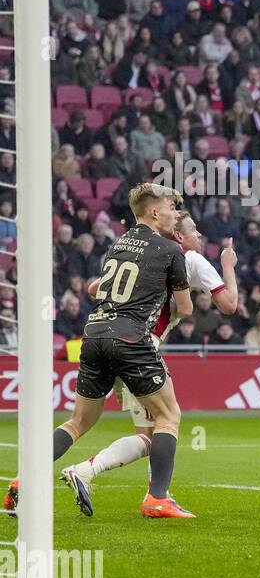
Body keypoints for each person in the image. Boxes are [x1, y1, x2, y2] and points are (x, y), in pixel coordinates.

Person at [58, 209, 239, 508]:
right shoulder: (189, 258)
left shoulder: (142, 253)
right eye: (194, 231)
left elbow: (93, 289)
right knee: (164, 423)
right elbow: (229, 305)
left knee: (138, 433)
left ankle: (51, 475)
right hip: (139, 348)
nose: (199, 236)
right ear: (179, 235)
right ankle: (128, 487)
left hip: (103, 339)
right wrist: (227, 265)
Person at [37, 185, 192, 519]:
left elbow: (97, 289)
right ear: (154, 212)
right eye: (169, 208)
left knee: (78, 422)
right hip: (131, 340)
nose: (174, 214)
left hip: (93, 334)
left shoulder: (117, 245)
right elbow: (185, 308)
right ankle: (157, 498)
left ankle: (23, 480)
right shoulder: (170, 250)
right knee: (169, 416)